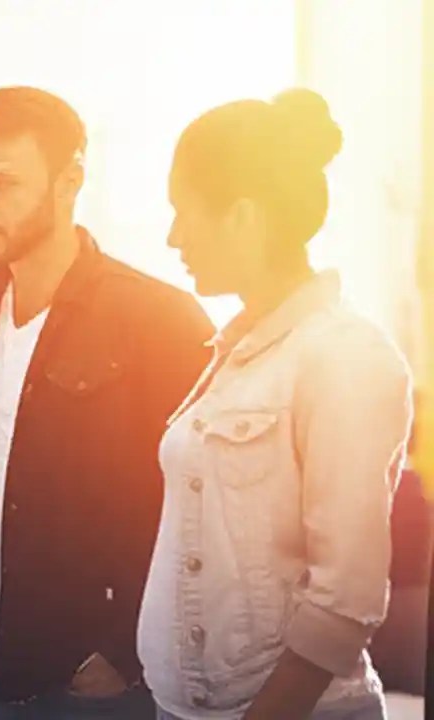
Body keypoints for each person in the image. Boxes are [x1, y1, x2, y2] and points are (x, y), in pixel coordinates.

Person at [0, 86, 216, 719]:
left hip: (97, 682)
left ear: (70, 180)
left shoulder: (158, 319)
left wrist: (123, 651)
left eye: (3, 184)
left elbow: (201, 508)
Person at [138, 89, 414, 720]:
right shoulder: (234, 353)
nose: (173, 236)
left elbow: (346, 599)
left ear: (243, 216)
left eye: (184, 211)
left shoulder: (344, 354)